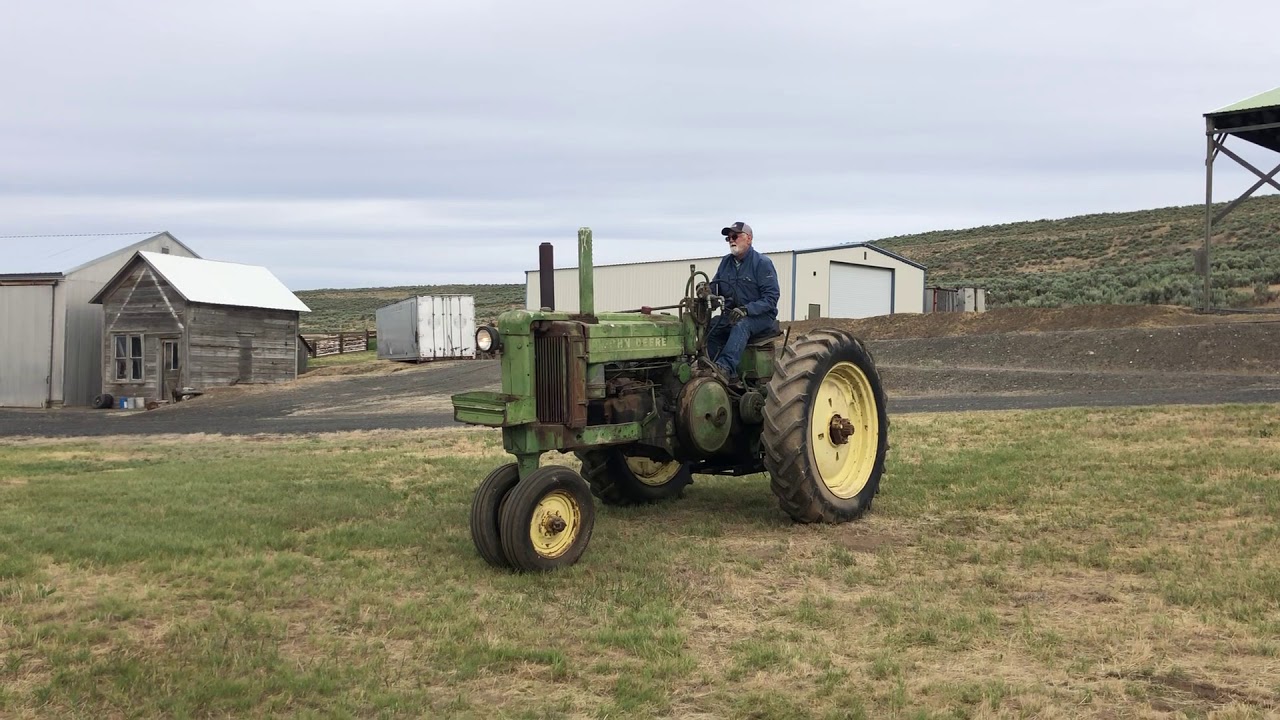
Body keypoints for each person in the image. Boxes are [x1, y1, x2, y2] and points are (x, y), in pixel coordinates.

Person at [705, 221, 780, 382]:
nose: (731, 240)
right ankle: (711, 366)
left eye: (735, 236)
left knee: (741, 325)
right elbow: (716, 286)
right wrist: (706, 291)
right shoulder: (726, 262)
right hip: (733, 313)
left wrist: (747, 309)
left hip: (760, 316)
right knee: (711, 326)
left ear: (749, 238)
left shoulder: (762, 263)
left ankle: (725, 367)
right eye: (729, 238)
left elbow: (771, 298)